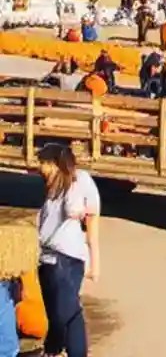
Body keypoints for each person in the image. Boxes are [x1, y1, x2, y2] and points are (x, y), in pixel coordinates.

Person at [35, 143, 100, 357]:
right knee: (57, 314)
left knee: (67, 311)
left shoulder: (79, 180)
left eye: (44, 163)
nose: (40, 167)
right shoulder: (51, 188)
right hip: (46, 259)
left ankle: (57, 349)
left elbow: (91, 220)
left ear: (55, 163)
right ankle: (55, 349)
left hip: (67, 258)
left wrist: (95, 262)